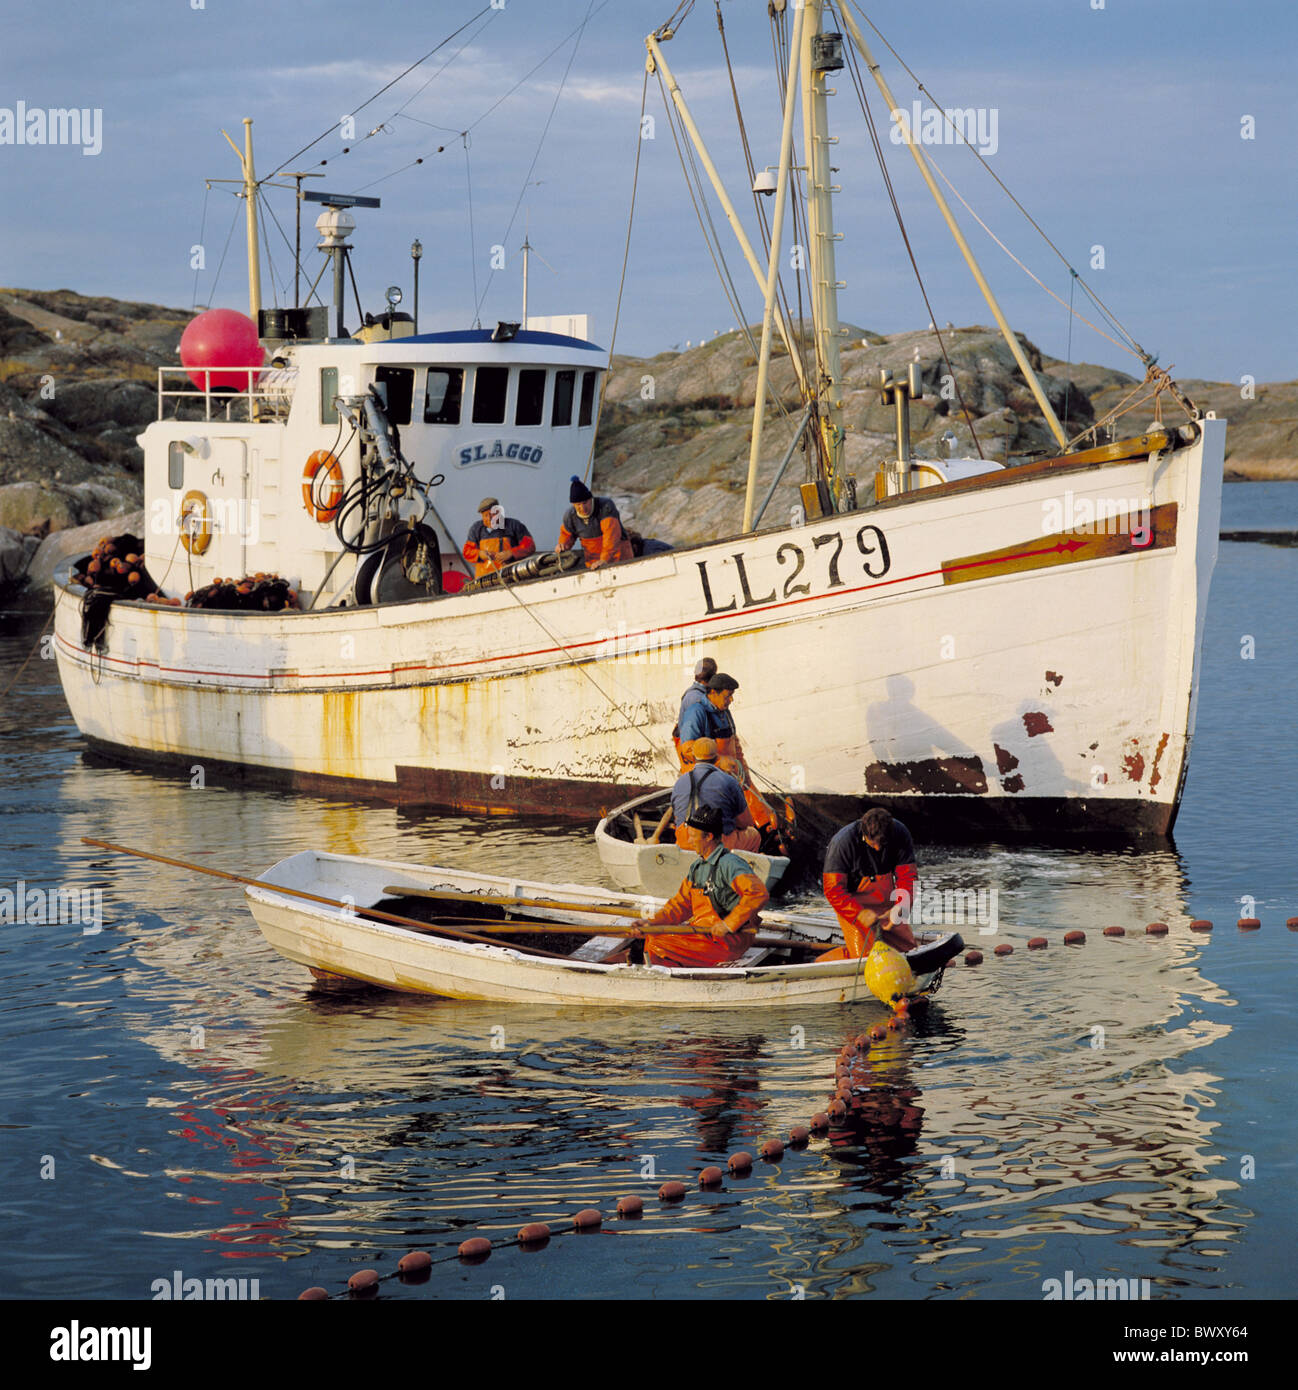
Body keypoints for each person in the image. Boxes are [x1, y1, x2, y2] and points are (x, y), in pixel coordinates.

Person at [639, 805, 769, 967]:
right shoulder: (697, 867)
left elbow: (758, 894)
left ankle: (667, 979)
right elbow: (680, 906)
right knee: (652, 934)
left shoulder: (730, 864)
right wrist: (652, 923)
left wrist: (728, 924)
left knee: (656, 944)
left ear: (708, 836)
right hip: (704, 934)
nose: (689, 841)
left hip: (728, 940)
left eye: (693, 836)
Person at [820, 806, 918, 960]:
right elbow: (833, 890)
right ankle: (820, 962)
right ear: (863, 833)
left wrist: (901, 906)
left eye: (883, 843)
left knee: (908, 949)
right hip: (853, 905)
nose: (878, 848)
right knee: (865, 956)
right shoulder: (842, 843)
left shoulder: (900, 833)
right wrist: (859, 913)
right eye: (872, 843)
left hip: (887, 904)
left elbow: (908, 877)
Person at [670, 739, 760, 852]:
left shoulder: (679, 782)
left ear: (693, 756)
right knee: (754, 835)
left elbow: (677, 818)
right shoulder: (729, 781)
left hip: (686, 842)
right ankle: (739, 868)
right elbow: (746, 823)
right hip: (714, 843)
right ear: (717, 757)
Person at [556, 476, 633, 569]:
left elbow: (611, 538)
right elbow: (566, 535)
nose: (583, 508)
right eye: (578, 505)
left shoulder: (605, 507)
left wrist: (604, 560)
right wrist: (562, 546)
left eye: (585, 503)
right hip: (593, 563)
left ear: (591, 499)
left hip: (620, 558)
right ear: (573, 505)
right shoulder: (570, 516)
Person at [717, 754, 784, 854]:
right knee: (754, 834)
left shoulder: (692, 779)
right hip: (721, 842)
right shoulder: (728, 786)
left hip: (695, 838)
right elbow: (745, 823)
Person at [678, 672, 744, 769]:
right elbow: (688, 750)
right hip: (705, 777)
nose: (731, 699)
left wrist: (741, 770)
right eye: (728, 696)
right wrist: (719, 761)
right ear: (713, 692)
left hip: (728, 775)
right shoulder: (695, 712)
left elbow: (735, 747)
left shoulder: (725, 712)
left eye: (732, 695)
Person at [462, 497, 535, 578]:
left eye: (492, 514)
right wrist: (480, 554)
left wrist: (512, 553)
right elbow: (467, 551)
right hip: (484, 579)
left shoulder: (514, 525)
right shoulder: (476, 528)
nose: (489, 518)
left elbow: (530, 546)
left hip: (511, 576)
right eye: (485, 515)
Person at [672, 657, 717, 767]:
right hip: (698, 758)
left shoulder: (693, 694)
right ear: (713, 676)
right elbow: (690, 739)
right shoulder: (696, 698)